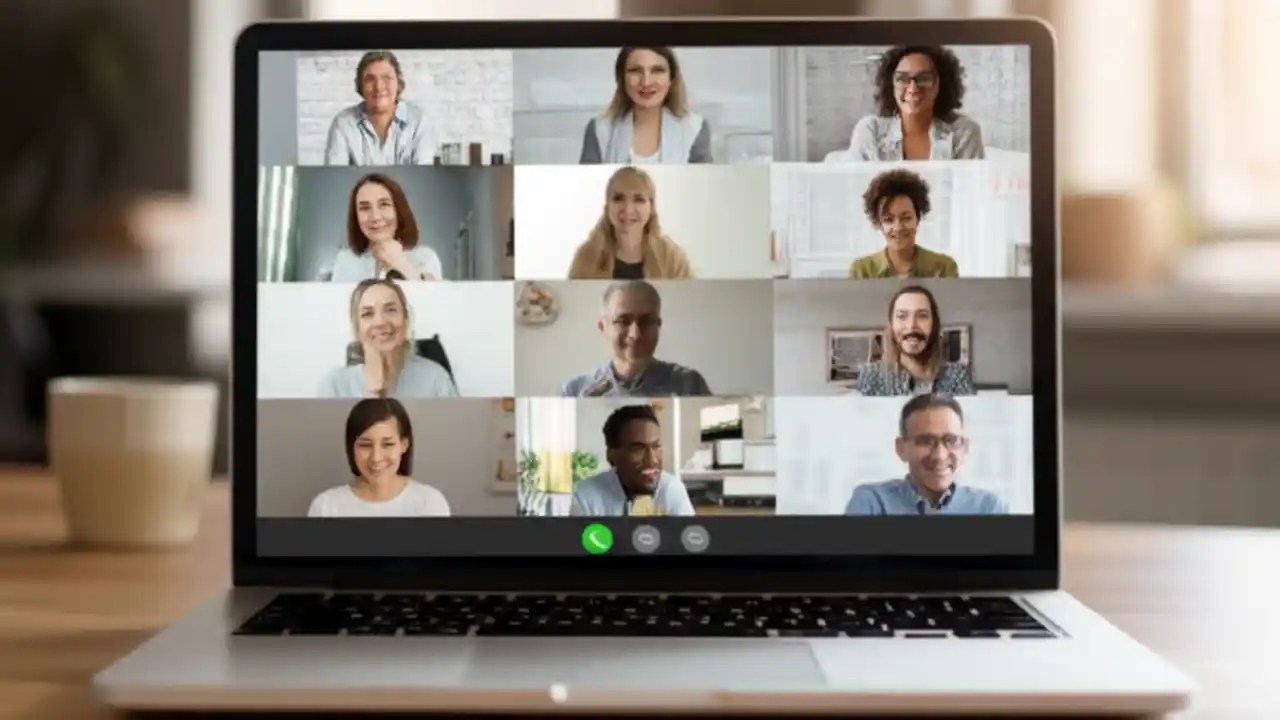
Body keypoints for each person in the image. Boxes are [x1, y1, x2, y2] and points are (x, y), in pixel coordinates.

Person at [845, 394, 1006, 515]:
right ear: (901, 448)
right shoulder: (872, 502)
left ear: (964, 447)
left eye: (950, 440)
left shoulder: (989, 507)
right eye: (926, 441)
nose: (940, 456)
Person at [560, 280, 711, 398]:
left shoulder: (689, 385)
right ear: (603, 327)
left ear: (658, 325)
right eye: (622, 321)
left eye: (647, 321)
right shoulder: (574, 391)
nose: (635, 334)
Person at [307, 397, 452, 517]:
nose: (376, 458)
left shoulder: (429, 503)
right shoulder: (326, 507)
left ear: (404, 445)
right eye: (365, 445)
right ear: (352, 447)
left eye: (388, 444)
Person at [318, 279, 458, 398]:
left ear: (406, 319)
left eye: (391, 310)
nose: (380, 322)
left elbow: (458, 429)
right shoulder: (335, 385)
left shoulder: (435, 379)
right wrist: (373, 392)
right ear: (358, 329)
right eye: (367, 314)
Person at [847, 45, 984, 161]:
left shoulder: (964, 133)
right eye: (902, 79)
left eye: (924, 79)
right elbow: (855, 188)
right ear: (891, 85)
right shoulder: (870, 131)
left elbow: (972, 189)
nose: (913, 89)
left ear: (940, 85)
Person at [579, 47, 712, 164]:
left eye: (657, 70)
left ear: (671, 78)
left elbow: (703, 189)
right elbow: (588, 189)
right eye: (636, 70)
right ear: (621, 79)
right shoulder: (599, 129)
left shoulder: (695, 128)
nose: (646, 82)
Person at [567, 166, 694, 279]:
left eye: (638, 199)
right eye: (618, 198)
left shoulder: (673, 258)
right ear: (607, 207)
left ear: (651, 207)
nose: (628, 209)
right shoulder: (586, 257)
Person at [571, 404, 695, 516]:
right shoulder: (585, 496)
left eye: (656, 446)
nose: (652, 460)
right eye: (638, 449)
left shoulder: (671, 489)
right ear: (612, 455)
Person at [856, 284, 973, 396]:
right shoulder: (872, 375)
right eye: (902, 316)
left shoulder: (957, 375)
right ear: (891, 325)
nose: (911, 325)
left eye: (922, 316)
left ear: (934, 325)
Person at [324, 50, 437, 166]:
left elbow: (424, 177)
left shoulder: (419, 121)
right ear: (360, 85)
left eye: (387, 78)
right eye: (370, 79)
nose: (378, 87)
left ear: (398, 82)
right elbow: (335, 177)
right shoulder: (343, 123)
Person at [325, 173, 444, 282]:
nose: (375, 217)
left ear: (398, 210)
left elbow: (432, 301)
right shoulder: (346, 261)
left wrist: (401, 264)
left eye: (384, 205)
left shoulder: (425, 257)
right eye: (365, 208)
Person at [849, 168, 958, 279]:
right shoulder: (862, 271)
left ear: (918, 218)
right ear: (878, 222)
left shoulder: (944, 268)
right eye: (888, 220)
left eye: (906, 218)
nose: (898, 228)